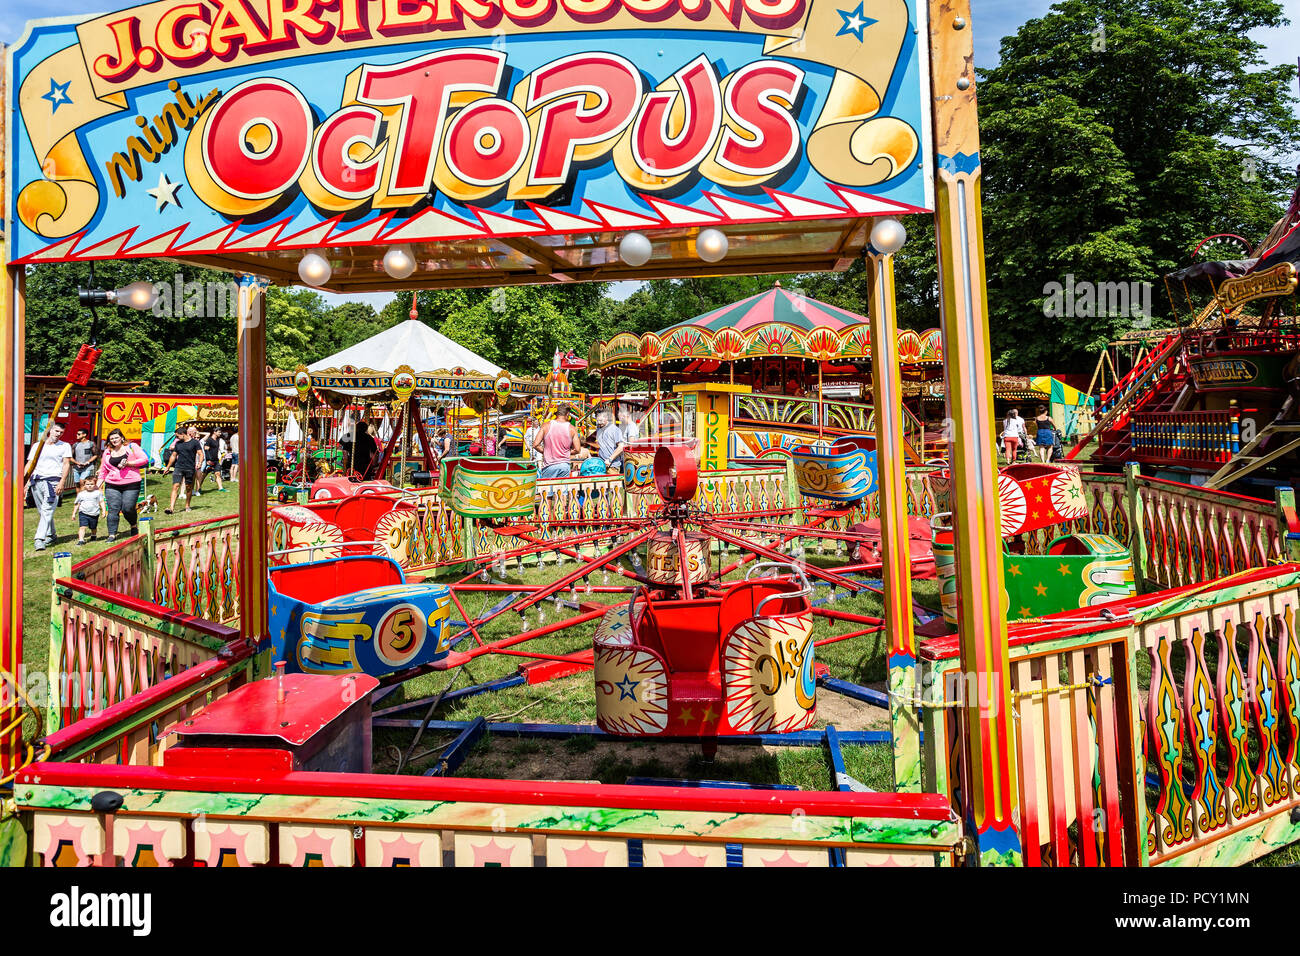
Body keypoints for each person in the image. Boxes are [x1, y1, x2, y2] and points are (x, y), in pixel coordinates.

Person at [25, 422, 73, 551]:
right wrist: (25, 481)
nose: (58, 434)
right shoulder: (38, 445)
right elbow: (30, 463)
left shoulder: (64, 446)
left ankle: (39, 539)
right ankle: (51, 534)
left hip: (53, 481)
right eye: (56, 431)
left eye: (61, 432)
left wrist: (62, 481)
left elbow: (66, 464)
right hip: (37, 480)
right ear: (50, 430)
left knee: (47, 510)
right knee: (44, 511)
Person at [98, 428, 148, 542]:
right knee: (113, 509)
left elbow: (144, 459)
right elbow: (103, 470)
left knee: (128, 508)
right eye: (111, 439)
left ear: (122, 438)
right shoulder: (107, 451)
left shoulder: (131, 447)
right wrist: (97, 486)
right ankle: (112, 534)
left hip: (131, 483)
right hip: (112, 484)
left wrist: (129, 463)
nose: (114, 440)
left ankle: (133, 525)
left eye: (116, 437)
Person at [535, 404, 580, 479]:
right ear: (567, 414)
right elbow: (577, 449)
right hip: (564, 465)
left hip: (550, 465)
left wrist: (546, 452)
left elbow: (535, 444)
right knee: (562, 489)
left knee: (547, 489)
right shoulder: (572, 429)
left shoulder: (546, 425)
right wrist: (566, 452)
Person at [166, 425, 203, 514]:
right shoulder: (178, 443)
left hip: (190, 468)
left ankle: (187, 505)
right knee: (175, 486)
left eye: (177, 436)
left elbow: (200, 454)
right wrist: (167, 467)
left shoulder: (195, 442)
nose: (176, 438)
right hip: (178, 468)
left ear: (183, 434)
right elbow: (173, 455)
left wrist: (200, 463)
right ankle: (171, 508)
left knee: (188, 488)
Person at [74, 475, 105, 545]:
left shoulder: (98, 493)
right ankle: (81, 540)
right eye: (87, 484)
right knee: (82, 527)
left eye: (91, 484)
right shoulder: (81, 494)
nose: (89, 486)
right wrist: (74, 513)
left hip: (94, 513)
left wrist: (103, 511)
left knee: (93, 527)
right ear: (84, 485)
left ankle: (93, 535)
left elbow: (101, 502)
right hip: (83, 513)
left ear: (95, 485)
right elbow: (77, 504)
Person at [196, 429, 223, 493]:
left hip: (216, 460)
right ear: (214, 432)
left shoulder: (217, 440)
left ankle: (220, 488)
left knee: (218, 473)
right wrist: (208, 460)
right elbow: (206, 450)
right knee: (203, 475)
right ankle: (198, 488)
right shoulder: (209, 440)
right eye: (219, 432)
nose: (220, 433)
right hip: (209, 461)